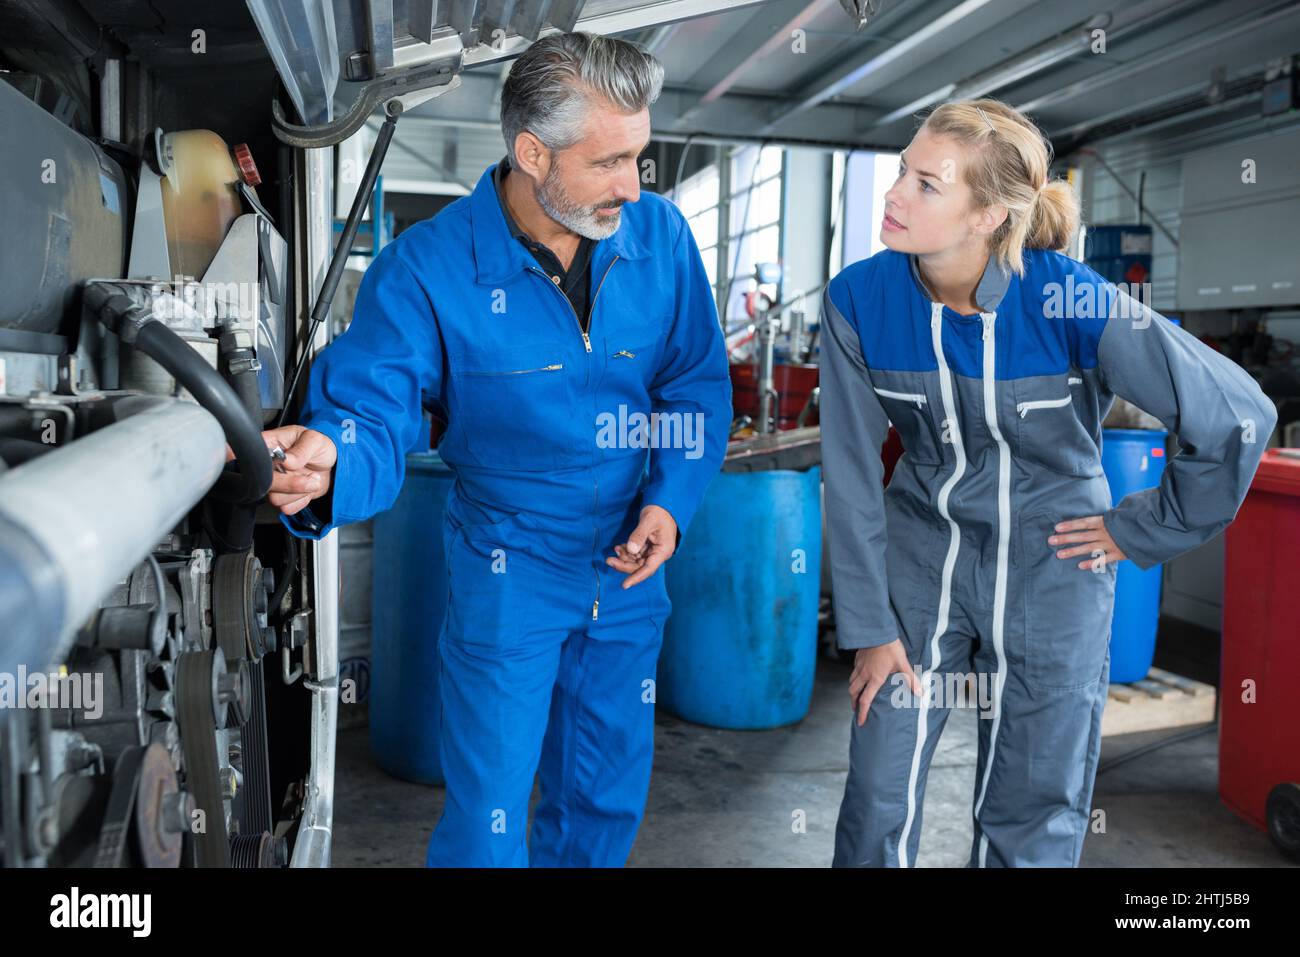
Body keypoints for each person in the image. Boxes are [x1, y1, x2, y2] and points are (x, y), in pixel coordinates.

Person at [242, 32, 731, 866]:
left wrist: (668, 504)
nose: (633, 187)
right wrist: (334, 455)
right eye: (610, 162)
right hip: (510, 570)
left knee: (603, 798)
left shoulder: (664, 242)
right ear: (533, 152)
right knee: (487, 819)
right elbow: (373, 399)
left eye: (639, 159)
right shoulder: (429, 267)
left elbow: (695, 387)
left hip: (627, 565)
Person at [820, 97, 1276, 867]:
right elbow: (852, 471)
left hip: (1054, 573)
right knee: (876, 795)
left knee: (1029, 814)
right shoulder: (858, 301)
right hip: (919, 569)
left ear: (988, 216)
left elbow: (1235, 414)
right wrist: (867, 626)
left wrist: (1143, 528)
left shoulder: (1069, 298)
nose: (894, 195)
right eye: (902, 170)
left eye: (927, 184)